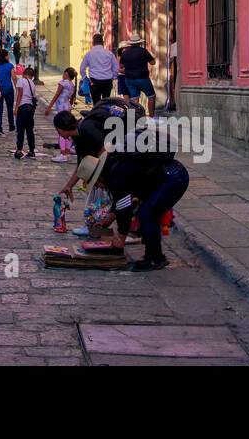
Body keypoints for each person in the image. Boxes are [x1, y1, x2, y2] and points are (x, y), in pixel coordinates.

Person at [54, 109, 189, 272]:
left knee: (147, 214)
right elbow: (122, 200)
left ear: (99, 177)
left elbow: (124, 207)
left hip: (173, 178)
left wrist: (120, 238)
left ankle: (154, 259)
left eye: (95, 183)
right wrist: (110, 216)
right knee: (146, 212)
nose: (98, 187)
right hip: (166, 176)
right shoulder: (113, 167)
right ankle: (155, 256)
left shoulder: (116, 174)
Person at [44, 67, 80, 163]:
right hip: (67, 107)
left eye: (64, 73)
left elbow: (56, 95)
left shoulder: (63, 83)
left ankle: (63, 153)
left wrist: (49, 106)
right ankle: (67, 151)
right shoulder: (72, 84)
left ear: (66, 74)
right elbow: (71, 99)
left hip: (61, 108)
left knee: (61, 130)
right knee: (67, 129)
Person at [120, 35, 158, 111]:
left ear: (131, 43)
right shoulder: (143, 51)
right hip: (142, 78)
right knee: (151, 96)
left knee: (134, 99)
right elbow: (153, 62)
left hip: (129, 79)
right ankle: (151, 117)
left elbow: (121, 65)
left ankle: (133, 119)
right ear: (139, 43)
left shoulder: (125, 52)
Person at [79, 34, 118, 101]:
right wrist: (113, 77)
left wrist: (85, 78)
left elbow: (82, 68)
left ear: (93, 43)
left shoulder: (89, 54)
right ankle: (104, 111)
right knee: (106, 101)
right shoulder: (109, 53)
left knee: (96, 102)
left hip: (94, 81)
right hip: (107, 81)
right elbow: (116, 68)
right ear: (102, 42)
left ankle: (97, 111)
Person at [13, 66, 39, 159]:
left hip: (23, 107)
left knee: (20, 130)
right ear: (32, 76)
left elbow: (19, 94)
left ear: (24, 74)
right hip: (30, 108)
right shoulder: (32, 83)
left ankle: (19, 150)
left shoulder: (21, 81)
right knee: (29, 130)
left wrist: (16, 108)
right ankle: (32, 150)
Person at [0, 49, 16, 135]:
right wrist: (17, 88)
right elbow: (13, 77)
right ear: (6, 56)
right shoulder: (10, 65)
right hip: (8, 89)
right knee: (9, 108)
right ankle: (11, 126)